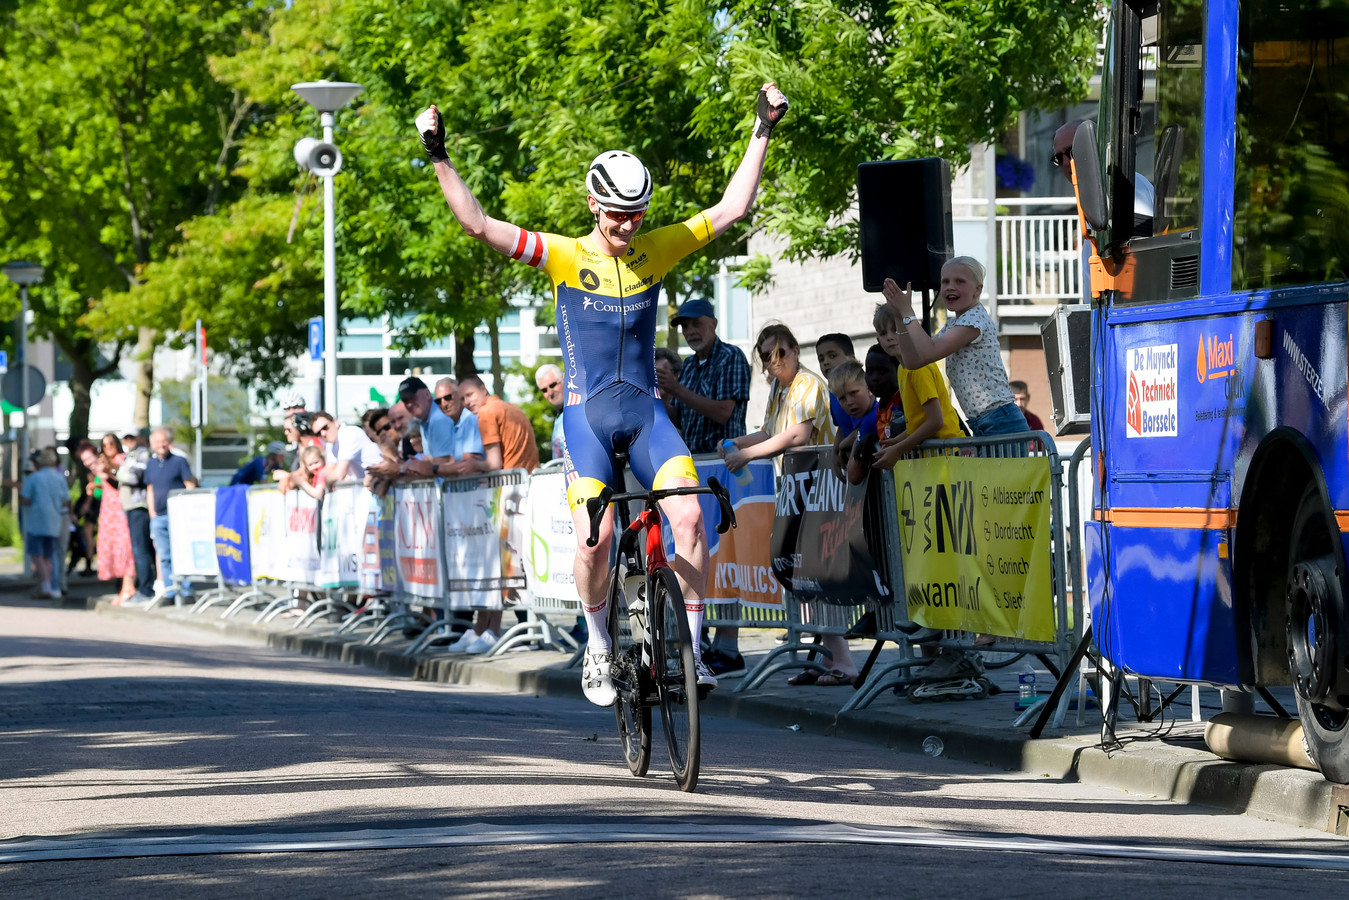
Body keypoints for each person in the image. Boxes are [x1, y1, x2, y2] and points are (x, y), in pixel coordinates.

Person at [416, 80, 788, 704]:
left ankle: (691, 649)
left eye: (637, 214)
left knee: (691, 515)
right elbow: (478, 224)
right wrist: (437, 154)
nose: (627, 225)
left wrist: (763, 129)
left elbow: (731, 210)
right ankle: (596, 642)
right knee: (598, 535)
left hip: (646, 414)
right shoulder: (562, 255)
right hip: (587, 417)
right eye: (617, 214)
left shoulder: (655, 247)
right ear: (593, 204)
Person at [723, 323, 858, 686]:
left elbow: (799, 434)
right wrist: (735, 442)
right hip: (801, 486)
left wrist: (745, 454)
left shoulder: (807, 384)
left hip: (822, 484)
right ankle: (828, 658)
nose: (773, 361)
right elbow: (770, 431)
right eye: (766, 355)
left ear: (795, 350)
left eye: (779, 352)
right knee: (805, 576)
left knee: (817, 574)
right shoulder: (781, 389)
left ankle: (842, 661)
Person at [882, 257, 1029, 436]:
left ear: (978, 289)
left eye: (959, 281)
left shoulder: (974, 320)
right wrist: (899, 317)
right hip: (984, 421)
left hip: (1000, 420)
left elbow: (929, 352)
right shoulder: (954, 324)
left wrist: (907, 312)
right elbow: (912, 362)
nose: (950, 286)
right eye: (945, 281)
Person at [451, 375, 540, 653]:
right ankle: (486, 628)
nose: (466, 404)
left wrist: (473, 465)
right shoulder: (511, 408)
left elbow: (494, 462)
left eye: (469, 396)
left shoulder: (488, 412)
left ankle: (493, 630)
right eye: (462, 399)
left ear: (483, 389)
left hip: (509, 496)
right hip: (523, 492)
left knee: (504, 567)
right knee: (509, 565)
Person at [661, 298, 751, 455]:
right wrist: (657, 396)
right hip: (694, 461)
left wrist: (675, 388)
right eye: (685, 326)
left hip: (726, 461)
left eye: (696, 323)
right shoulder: (688, 364)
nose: (690, 332)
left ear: (714, 324)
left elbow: (723, 413)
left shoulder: (731, 356)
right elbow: (679, 420)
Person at [146, 428, 198, 601]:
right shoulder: (151, 464)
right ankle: (170, 592)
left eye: (164, 441)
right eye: (157, 442)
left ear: (169, 442)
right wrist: (152, 512)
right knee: (165, 556)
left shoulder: (179, 461)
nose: (161, 445)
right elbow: (150, 489)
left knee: (182, 552)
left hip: (178, 515)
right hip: (158, 516)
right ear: (153, 444)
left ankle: (186, 591)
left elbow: (189, 484)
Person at [83, 436, 136, 603]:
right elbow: (108, 484)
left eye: (111, 444)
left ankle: (128, 587)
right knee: (112, 547)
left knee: (124, 547)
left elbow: (120, 479)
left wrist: (108, 470)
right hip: (108, 511)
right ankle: (122, 585)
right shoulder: (105, 461)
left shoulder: (120, 460)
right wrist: (95, 485)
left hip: (120, 508)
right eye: (104, 445)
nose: (108, 447)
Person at [21, 448, 70, 600]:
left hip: (36, 521)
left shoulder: (34, 478)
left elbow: (25, 499)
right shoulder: (59, 478)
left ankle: (47, 585)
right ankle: (53, 587)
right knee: (50, 556)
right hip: (55, 521)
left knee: (37, 555)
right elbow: (66, 501)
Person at [117, 432, 156, 602]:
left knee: (141, 550)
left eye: (131, 437)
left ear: (139, 437)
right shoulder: (130, 455)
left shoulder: (142, 454)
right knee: (141, 549)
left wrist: (116, 472)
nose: (128, 441)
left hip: (139, 507)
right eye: (125, 438)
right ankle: (149, 586)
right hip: (131, 507)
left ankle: (146, 590)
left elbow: (135, 477)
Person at [827, 362, 878, 486]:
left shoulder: (871, 420)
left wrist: (846, 444)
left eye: (854, 393)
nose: (849, 402)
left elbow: (854, 475)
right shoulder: (867, 417)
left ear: (869, 389)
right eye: (842, 398)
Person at [308, 411, 384, 484]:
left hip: (383, 483)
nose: (323, 433)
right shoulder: (332, 444)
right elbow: (328, 474)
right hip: (371, 487)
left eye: (325, 427)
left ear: (335, 422)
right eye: (318, 433)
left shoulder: (348, 433)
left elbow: (339, 474)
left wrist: (332, 478)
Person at [534, 363, 566, 463]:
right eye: (544, 390)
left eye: (553, 385)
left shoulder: (578, 411)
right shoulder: (559, 418)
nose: (550, 393)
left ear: (564, 379)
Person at [653, 347, 683, 427]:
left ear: (676, 376)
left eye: (661, 374)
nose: (655, 379)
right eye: (652, 374)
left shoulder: (687, 405)